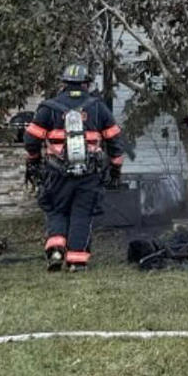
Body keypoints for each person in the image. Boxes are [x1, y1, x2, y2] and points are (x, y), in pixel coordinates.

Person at [23, 62, 123, 271]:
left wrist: (33, 161)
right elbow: (114, 140)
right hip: (89, 174)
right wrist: (115, 168)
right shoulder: (98, 107)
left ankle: (56, 251)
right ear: (86, 84)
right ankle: (77, 262)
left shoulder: (48, 108)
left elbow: (31, 139)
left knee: (56, 210)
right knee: (82, 213)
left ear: (64, 83)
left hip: (56, 172)